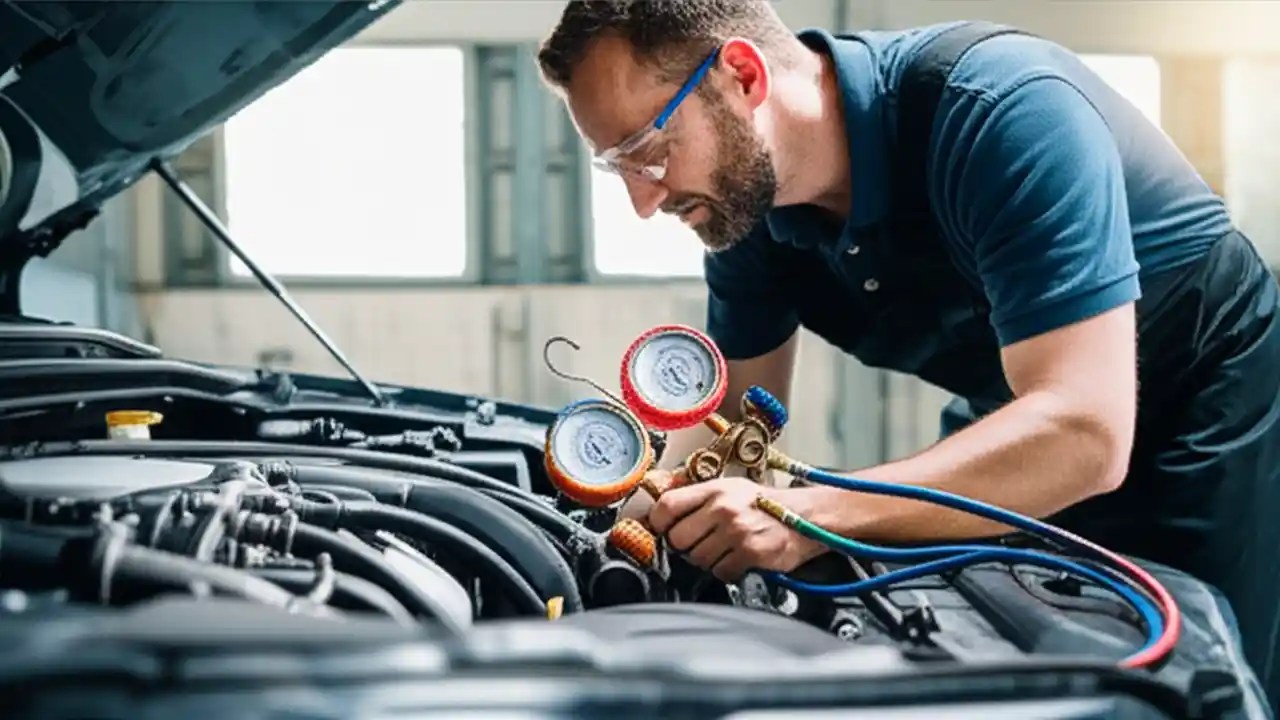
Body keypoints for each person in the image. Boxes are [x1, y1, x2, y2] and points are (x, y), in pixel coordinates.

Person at [536, 0, 1280, 703]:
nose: (644, 200)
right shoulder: (748, 214)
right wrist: (602, 530)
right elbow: (732, 427)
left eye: (649, 152)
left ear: (744, 76)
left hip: (1199, 401)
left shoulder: (1000, 113)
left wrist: (806, 515)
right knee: (987, 646)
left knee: (1186, 674)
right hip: (1020, 406)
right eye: (618, 168)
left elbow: (1086, 432)